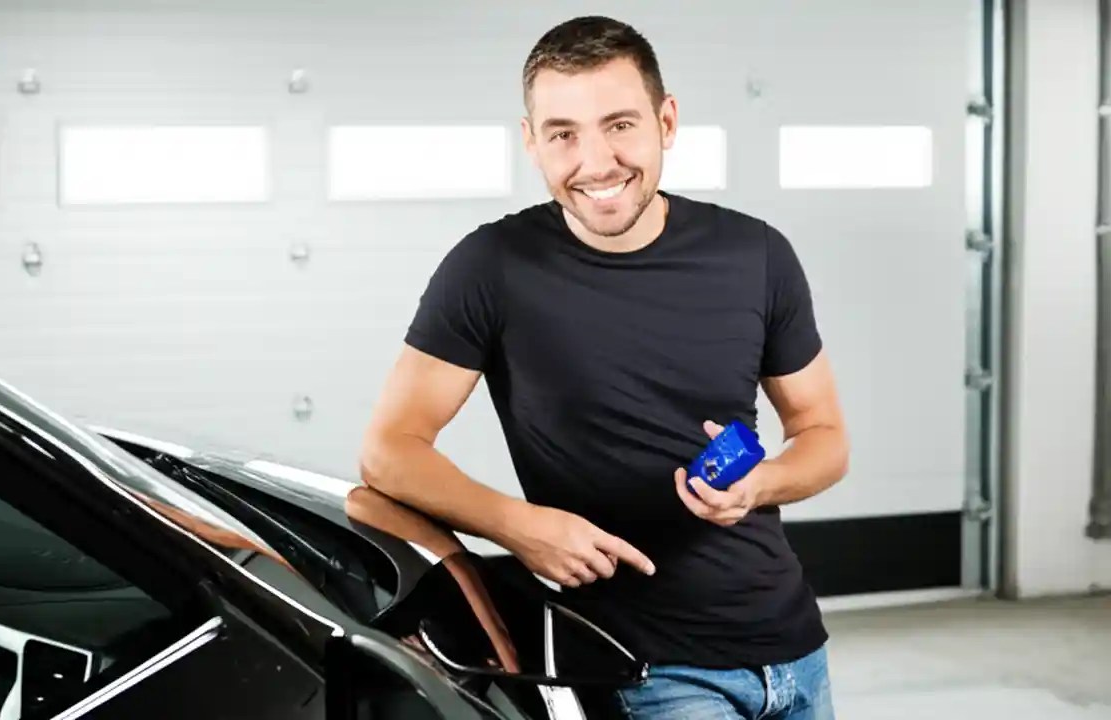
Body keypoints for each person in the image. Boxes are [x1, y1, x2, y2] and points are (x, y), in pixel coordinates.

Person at [358, 14, 850, 720]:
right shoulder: (490, 268)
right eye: (563, 133)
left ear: (666, 121)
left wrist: (760, 483)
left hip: (795, 647)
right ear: (531, 142)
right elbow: (389, 451)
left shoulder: (757, 255)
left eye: (619, 125)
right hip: (645, 669)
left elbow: (825, 434)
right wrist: (518, 526)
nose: (595, 162)